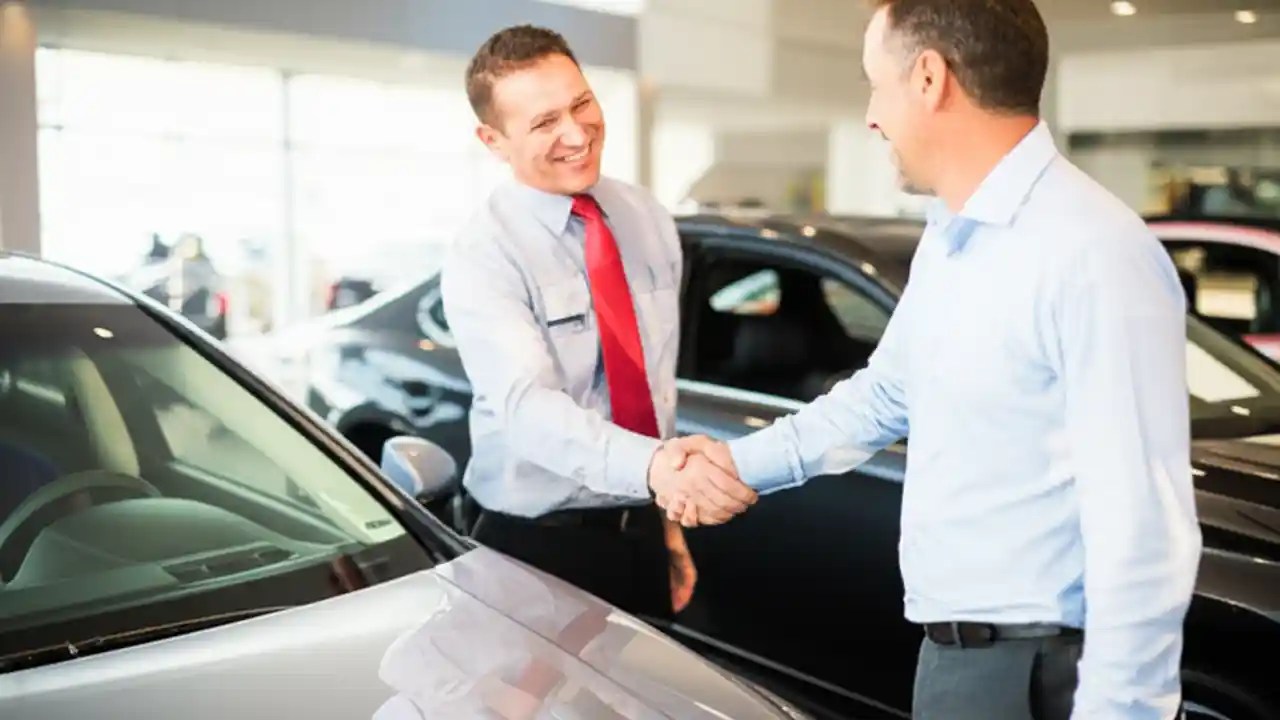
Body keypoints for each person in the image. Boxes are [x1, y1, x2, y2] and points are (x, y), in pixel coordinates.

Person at [660, 1, 1201, 718]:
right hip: (960, 659)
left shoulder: (1092, 251)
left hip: (1036, 672)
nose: (871, 117)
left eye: (874, 84)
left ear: (928, 78)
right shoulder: (952, 234)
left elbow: (1142, 524)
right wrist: (736, 465)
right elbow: (886, 395)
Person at [440, 25, 756, 622]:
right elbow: (529, 410)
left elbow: (653, 389)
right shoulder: (485, 252)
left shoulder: (646, 218)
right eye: (543, 122)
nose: (577, 133)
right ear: (493, 139)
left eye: (582, 103)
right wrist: (658, 471)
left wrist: (664, 528)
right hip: (533, 549)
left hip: (640, 524)